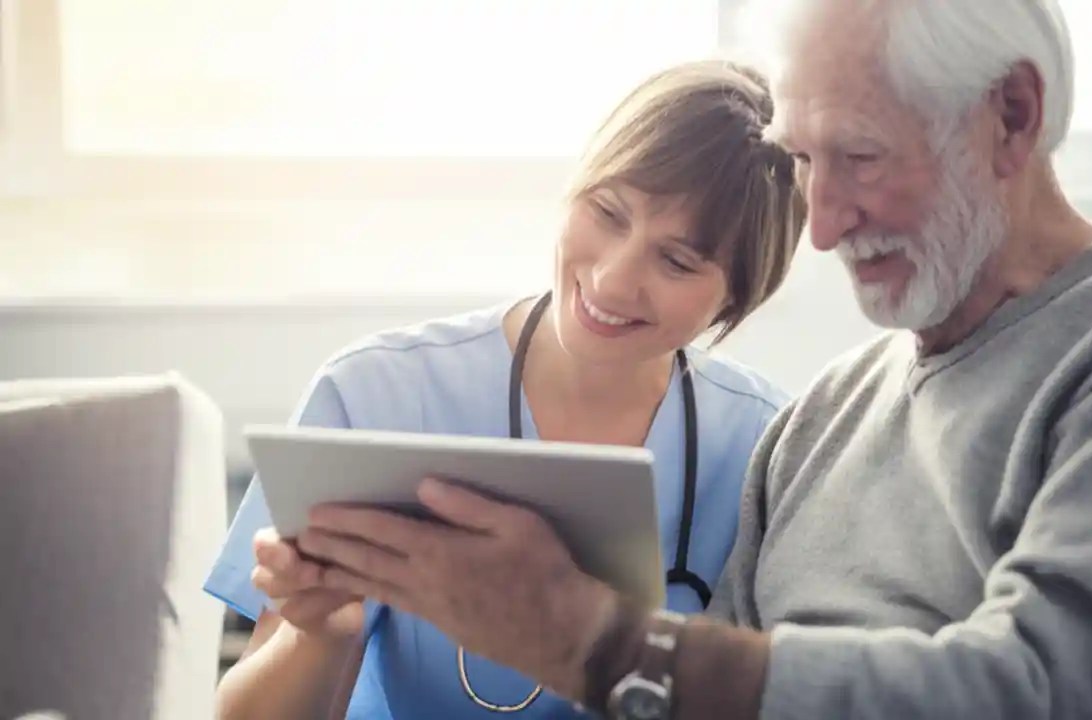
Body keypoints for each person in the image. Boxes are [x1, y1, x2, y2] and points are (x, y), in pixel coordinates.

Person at [275, 0, 1092, 718]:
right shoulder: (817, 425)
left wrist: (594, 642)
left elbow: (1040, 693)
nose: (824, 224)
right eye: (803, 162)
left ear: (1010, 116)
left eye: (861, 157)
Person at [205, 59, 806, 719]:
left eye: (676, 260)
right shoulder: (374, 395)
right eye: (607, 212)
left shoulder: (770, 446)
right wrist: (322, 633)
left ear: (739, 296)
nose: (611, 279)